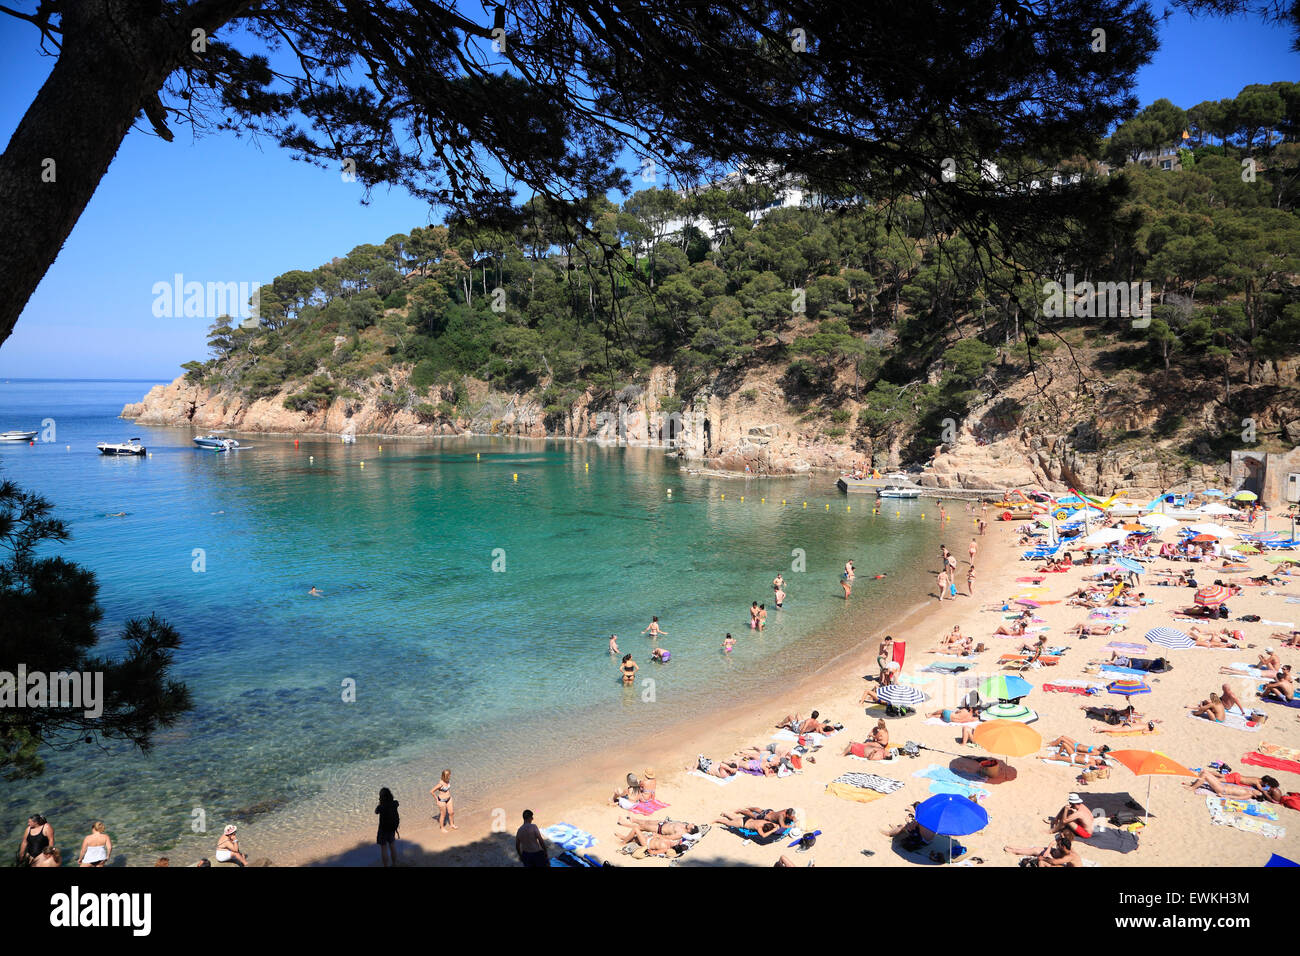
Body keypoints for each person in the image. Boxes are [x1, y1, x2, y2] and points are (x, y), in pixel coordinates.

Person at [1186, 768, 1283, 802]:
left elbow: (1236, 798)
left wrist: (1224, 796)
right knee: (1205, 773)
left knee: (1205, 775)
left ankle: (1192, 787)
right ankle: (1193, 784)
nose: (1259, 790)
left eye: (1258, 792)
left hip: (1222, 789)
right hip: (1222, 785)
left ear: (1255, 795)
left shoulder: (1249, 795)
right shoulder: (1250, 789)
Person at [1003, 832, 1080, 867]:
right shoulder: (1067, 846)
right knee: (1035, 849)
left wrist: (1043, 858)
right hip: (1057, 858)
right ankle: (1015, 850)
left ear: (1063, 846)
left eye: (1058, 846)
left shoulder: (1070, 856)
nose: (1057, 846)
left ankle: (1015, 851)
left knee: (1042, 862)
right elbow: (1053, 842)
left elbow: (1054, 861)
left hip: (1058, 861)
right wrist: (1049, 849)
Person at [376, 787, 400, 866]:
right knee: (392, 845)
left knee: (384, 848)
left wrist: (380, 803)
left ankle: (386, 865)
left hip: (383, 829)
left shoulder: (381, 807)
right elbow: (397, 803)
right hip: (392, 828)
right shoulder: (395, 803)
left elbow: (376, 811)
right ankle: (394, 863)